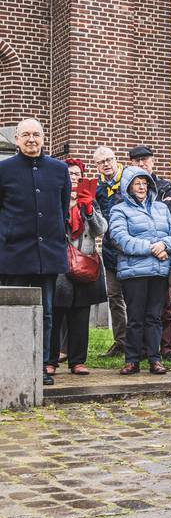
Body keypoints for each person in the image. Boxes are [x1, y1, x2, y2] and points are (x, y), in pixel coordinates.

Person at [0, 118, 70, 387]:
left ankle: (40, 366)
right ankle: (11, 361)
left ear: (44, 138)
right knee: (11, 311)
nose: (31, 139)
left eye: (36, 134)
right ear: (17, 139)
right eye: (25, 135)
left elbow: (62, 211)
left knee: (47, 313)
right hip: (13, 254)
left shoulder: (59, 169)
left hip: (48, 254)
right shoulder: (4, 170)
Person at [108, 166, 171, 376]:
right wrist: (153, 247)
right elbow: (120, 239)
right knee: (136, 317)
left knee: (154, 317)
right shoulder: (119, 209)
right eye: (136, 183)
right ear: (128, 187)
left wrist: (164, 245)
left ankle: (155, 359)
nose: (141, 187)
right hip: (134, 273)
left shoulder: (161, 208)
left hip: (159, 271)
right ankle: (132, 360)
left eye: (144, 183)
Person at [48, 160, 105, 376]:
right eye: (69, 173)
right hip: (60, 265)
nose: (73, 177)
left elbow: (101, 229)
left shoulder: (89, 201)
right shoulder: (55, 199)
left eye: (77, 175)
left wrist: (89, 208)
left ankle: (77, 361)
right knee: (56, 314)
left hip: (84, 265)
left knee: (81, 317)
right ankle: (51, 360)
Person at [129, 145, 171, 359]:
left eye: (145, 160)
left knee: (165, 306)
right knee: (139, 308)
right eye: (137, 160)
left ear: (152, 161)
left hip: (164, 254)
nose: (142, 164)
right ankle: (142, 350)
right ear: (132, 163)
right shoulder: (126, 190)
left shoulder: (166, 185)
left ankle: (166, 348)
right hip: (140, 257)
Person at [93, 146, 127, 357]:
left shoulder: (129, 181)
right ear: (97, 165)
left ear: (116, 159)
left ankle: (138, 344)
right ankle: (121, 341)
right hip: (110, 251)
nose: (106, 164)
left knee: (134, 297)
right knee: (114, 296)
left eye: (109, 159)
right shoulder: (98, 189)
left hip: (131, 250)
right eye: (101, 162)